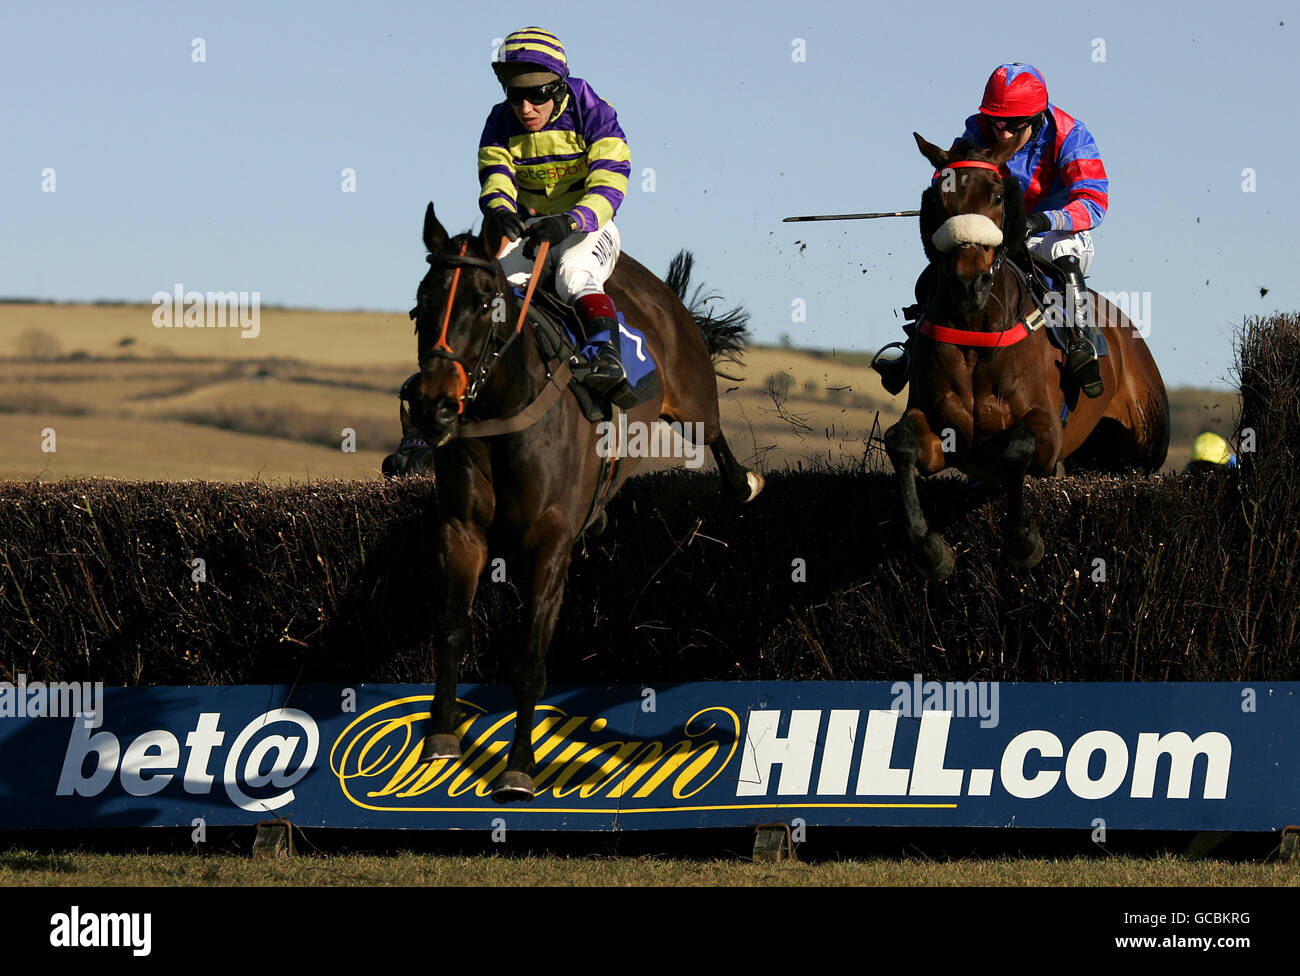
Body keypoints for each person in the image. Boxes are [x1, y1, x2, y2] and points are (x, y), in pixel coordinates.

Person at [874, 63, 1109, 399]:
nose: (1002, 133)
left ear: (1037, 117)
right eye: (996, 122)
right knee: (954, 255)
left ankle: (1080, 342)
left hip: (1053, 231)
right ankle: (915, 347)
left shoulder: (1071, 136)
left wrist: (1043, 221)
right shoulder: (978, 130)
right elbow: (948, 177)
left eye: (1012, 125)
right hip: (996, 230)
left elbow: (1094, 201)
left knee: (1062, 250)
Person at [479, 26, 635, 405]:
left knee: (572, 274)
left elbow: (610, 180)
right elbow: (495, 176)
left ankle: (606, 356)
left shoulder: (592, 110)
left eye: (536, 95)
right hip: (532, 229)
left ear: (559, 87)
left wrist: (570, 220)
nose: (525, 108)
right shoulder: (499, 122)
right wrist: (501, 212)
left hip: (588, 225)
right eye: (515, 96)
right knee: (495, 288)